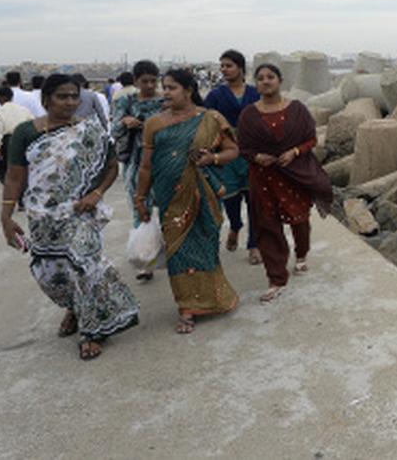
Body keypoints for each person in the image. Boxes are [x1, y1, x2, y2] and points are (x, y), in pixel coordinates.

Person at [0, 74, 139, 360]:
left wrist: (97, 194)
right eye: (63, 96)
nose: (70, 102)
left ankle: (92, 330)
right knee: (50, 274)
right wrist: (6, 215)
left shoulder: (91, 131)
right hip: (43, 215)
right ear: (46, 99)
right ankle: (74, 308)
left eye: (74, 96)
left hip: (80, 213)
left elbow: (112, 167)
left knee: (86, 266)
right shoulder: (26, 133)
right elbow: (15, 176)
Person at [136, 69, 240, 333]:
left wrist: (212, 159)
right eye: (164, 88)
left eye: (171, 88)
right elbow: (146, 167)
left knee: (205, 247)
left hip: (203, 194)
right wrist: (140, 197)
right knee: (178, 252)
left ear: (188, 90)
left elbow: (232, 151)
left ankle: (212, 299)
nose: (165, 93)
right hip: (170, 198)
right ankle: (186, 308)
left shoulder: (211, 119)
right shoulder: (154, 124)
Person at [237, 64, 333, 303]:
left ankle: (301, 255)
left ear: (280, 80)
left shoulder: (297, 109)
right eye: (260, 78)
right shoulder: (249, 114)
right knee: (268, 226)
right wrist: (257, 157)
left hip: (295, 174)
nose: (265, 81)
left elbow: (311, 139)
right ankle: (276, 278)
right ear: (255, 84)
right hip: (264, 178)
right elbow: (243, 147)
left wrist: (295, 151)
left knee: (300, 220)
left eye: (270, 77)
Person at [203, 49, 261, 262]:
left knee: (255, 201)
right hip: (226, 157)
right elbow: (204, 120)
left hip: (252, 155)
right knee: (231, 200)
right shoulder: (216, 95)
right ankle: (235, 226)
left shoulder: (255, 93)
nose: (224, 70)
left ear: (240, 68)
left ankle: (254, 245)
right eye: (222, 66)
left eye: (229, 65)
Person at [111, 60, 164, 281]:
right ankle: (146, 260)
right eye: (145, 81)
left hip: (163, 160)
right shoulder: (125, 101)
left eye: (153, 80)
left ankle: (169, 254)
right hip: (136, 161)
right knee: (140, 208)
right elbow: (113, 128)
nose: (150, 85)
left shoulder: (165, 100)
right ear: (135, 81)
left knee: (167, 208)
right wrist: (126, 122)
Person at [0, 85, 34, 183]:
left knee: (8, 174)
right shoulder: (24, 110)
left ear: (0, 98)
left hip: (8, 144)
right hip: (25, 142)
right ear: (12, 96)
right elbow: (32, 125)